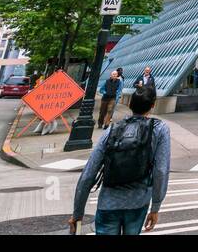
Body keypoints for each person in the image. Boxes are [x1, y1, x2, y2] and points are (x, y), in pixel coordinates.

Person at [70, 85, 171, 236]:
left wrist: (78, 212)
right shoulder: (160, 129)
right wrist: (155, 207)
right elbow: (161, 171)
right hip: (138, 202)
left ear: (130, 105)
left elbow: (89, 172)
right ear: (152, 106)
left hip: (108, 202)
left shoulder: (112, 129)